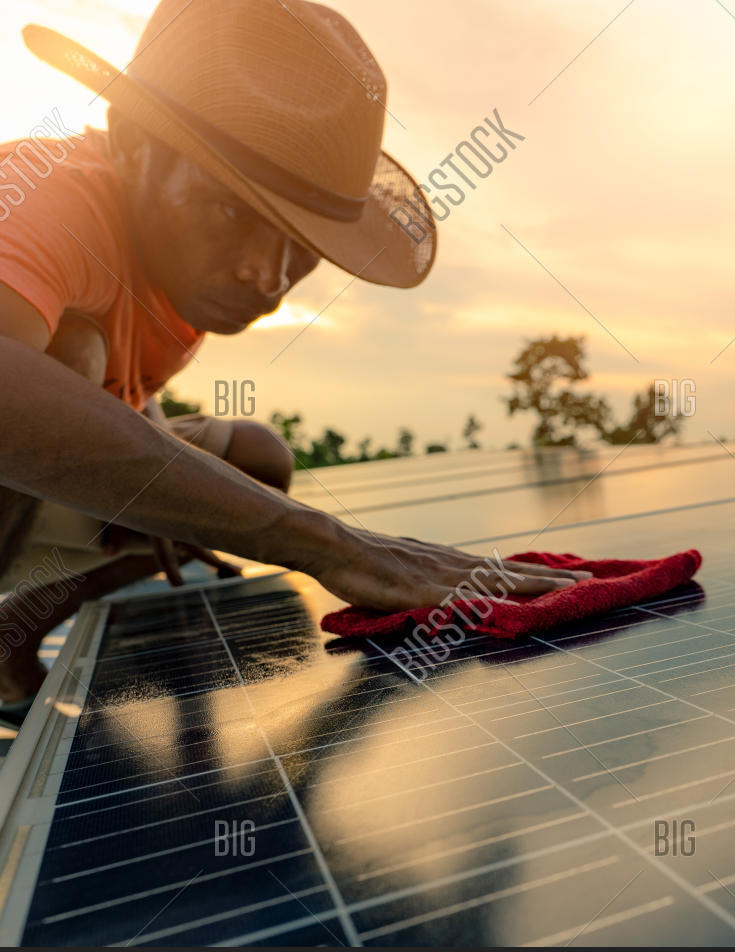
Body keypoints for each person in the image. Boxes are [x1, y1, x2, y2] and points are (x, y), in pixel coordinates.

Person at [0, 1, 584, 716]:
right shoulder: (43, 197)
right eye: (229, 211)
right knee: (70, 358)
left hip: (28, 504)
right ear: (131, 142)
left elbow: (123, 402)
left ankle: (10, 634)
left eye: (299, 242)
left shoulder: (177, 265)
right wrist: (331, 543)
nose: (269, 279)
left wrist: (177, 482)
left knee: (248, 464)